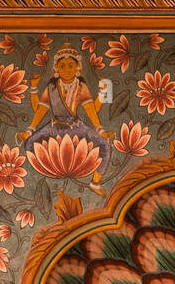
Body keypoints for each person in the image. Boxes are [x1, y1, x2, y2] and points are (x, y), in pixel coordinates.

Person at [17, 43, 114, 195]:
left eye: (70, 65)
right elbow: (40, 110)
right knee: (29, 143)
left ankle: (95, 182)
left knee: (105, 145)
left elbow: (91, 110)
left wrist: (101, 130)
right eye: (62, 66)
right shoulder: (52, 87)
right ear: (56, 69)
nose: (67, 70)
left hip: (76, 126)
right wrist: (29, 130)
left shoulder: (81, 86)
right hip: (54, 126)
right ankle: (45, 175)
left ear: (77, 68)